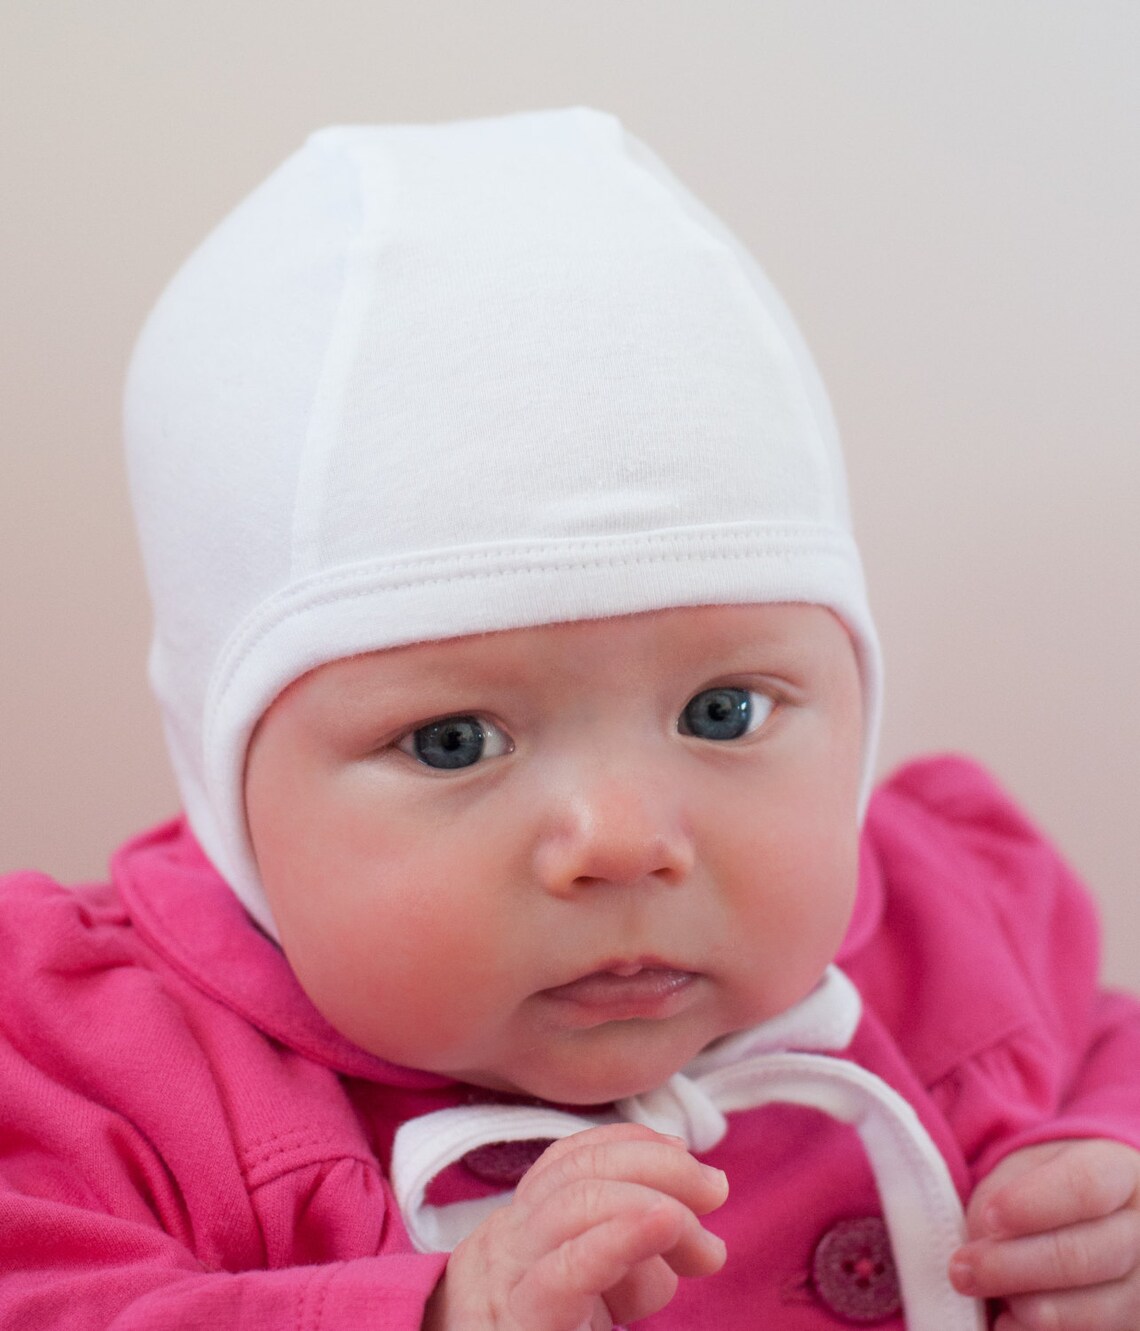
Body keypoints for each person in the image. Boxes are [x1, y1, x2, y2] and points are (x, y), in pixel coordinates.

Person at [2, 108, 1139, 1331]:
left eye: (722, 710)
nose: (624, 839)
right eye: (453, 740)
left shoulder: (951, 927)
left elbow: (1105, 1050)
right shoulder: (91, 1074)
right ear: (230, 787)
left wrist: (1104, 1186)